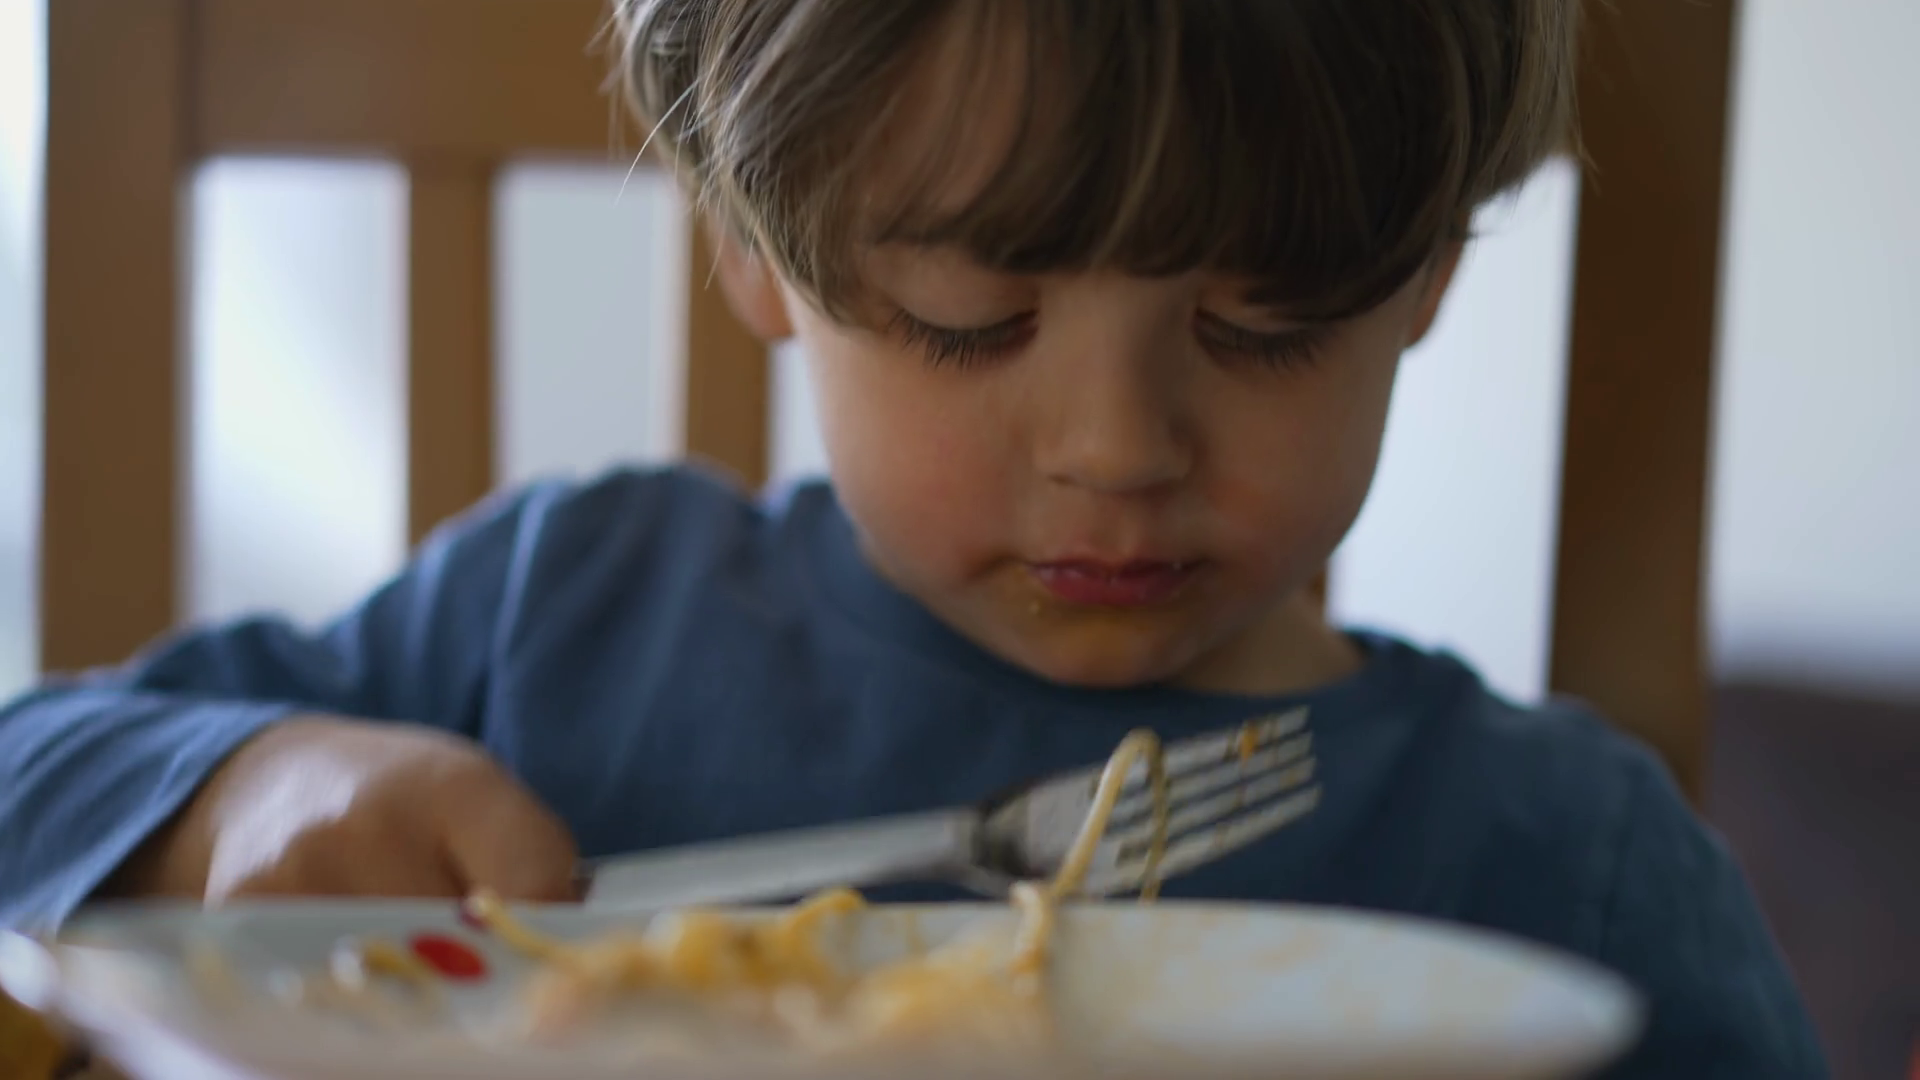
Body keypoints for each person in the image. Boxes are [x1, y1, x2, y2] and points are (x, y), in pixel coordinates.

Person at [0, 1, 1825, 1075]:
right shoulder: (560, 621)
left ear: (1424, 273)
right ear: (751, 251)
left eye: (1265, 324)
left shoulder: (1562, 874)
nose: (1117, 451)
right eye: (972, 319)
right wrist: (239, 796)